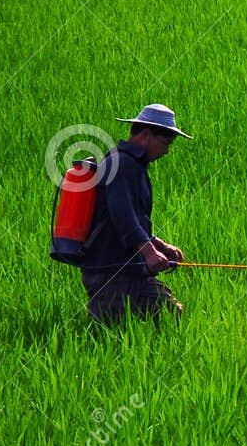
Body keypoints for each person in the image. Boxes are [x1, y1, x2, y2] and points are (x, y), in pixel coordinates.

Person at [80, 104, 189, 326]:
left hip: (132, 269)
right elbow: (123, 215)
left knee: (170, 316)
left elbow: (136, 220)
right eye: (165, 142)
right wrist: (150, 253)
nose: (167, 150)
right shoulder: (120, 164)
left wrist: (160, 246)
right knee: (106, 337)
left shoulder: (134, 167)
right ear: (146, 135)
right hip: (110, 272)